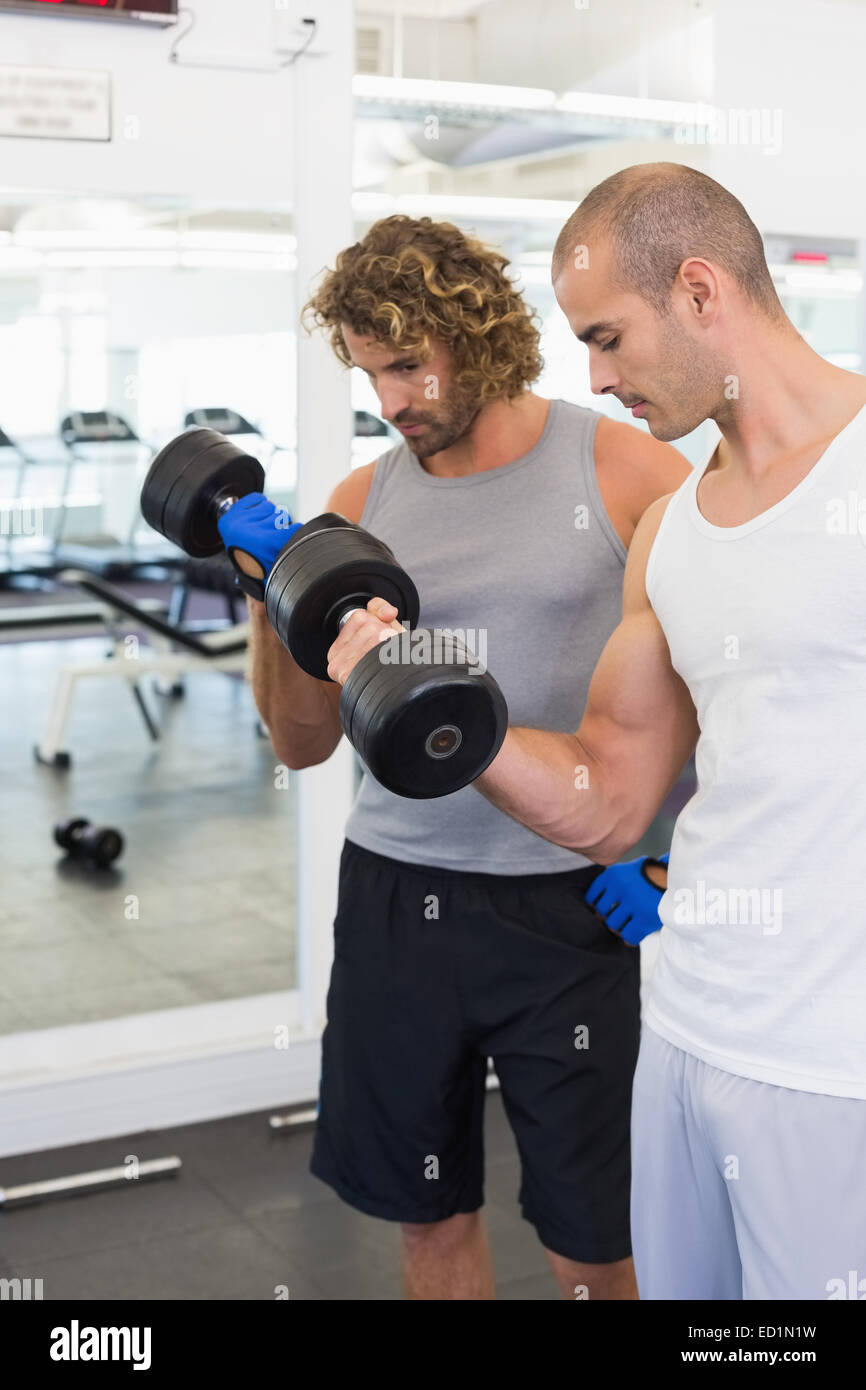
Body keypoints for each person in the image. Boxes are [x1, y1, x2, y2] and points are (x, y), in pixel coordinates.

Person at [328, 165, 866, 1301]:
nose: (595, 375)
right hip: (684, 1028)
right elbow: (609, 793)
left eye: (609, 338)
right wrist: (429, 703)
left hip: (834, 1061)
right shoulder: (676, 526)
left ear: (700, 290)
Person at [222, 214, 689, 1300]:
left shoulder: (622, 467)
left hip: (569, 902)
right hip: (397, 895)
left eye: (404, 364)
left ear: (475, 336)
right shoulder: (358, 505)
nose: (389, 402)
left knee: (590, 1236)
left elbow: (712, 680)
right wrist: (270, 598)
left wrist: (665, 846)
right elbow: (299, 744)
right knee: (427, 1219)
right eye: (366, 373)